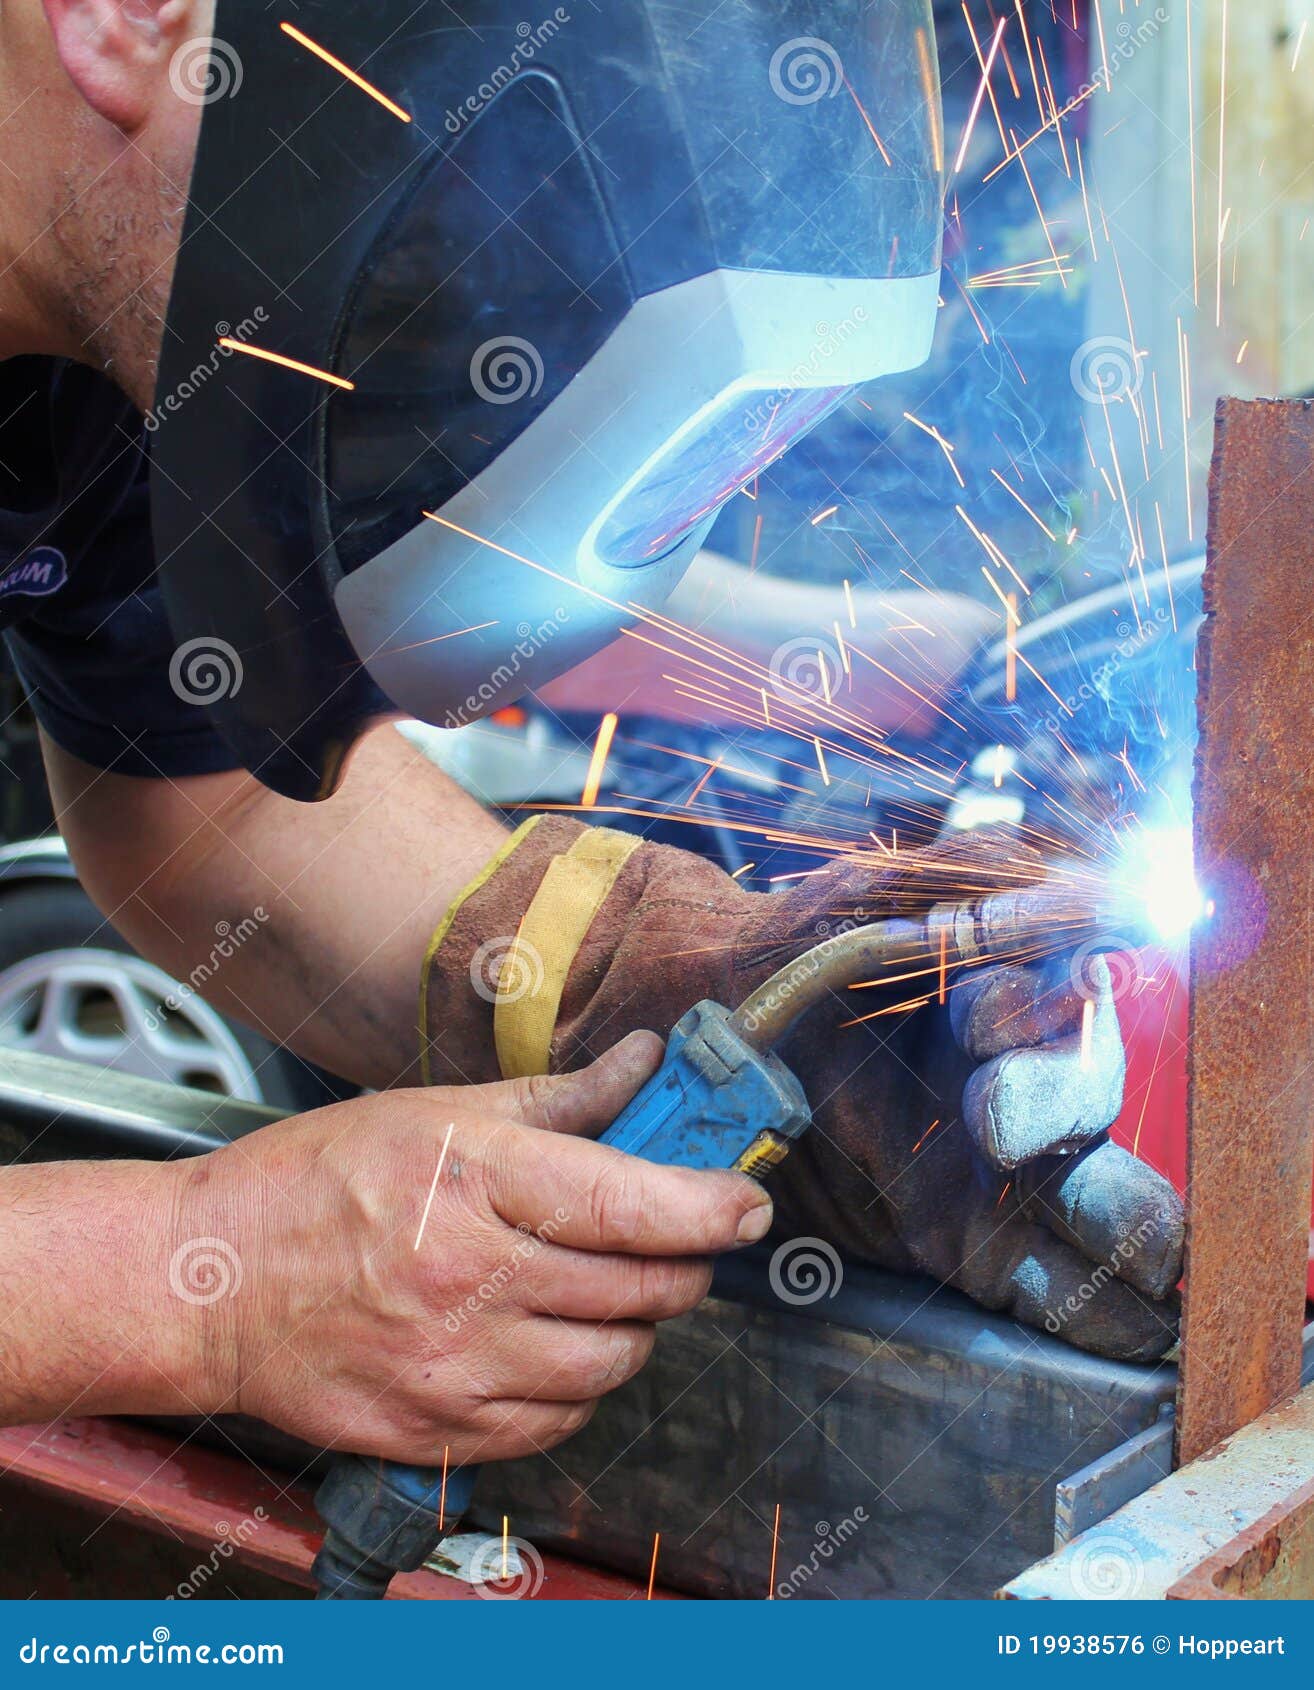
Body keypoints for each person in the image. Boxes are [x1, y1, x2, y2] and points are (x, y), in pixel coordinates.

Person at [0, 0, 1179, 1473]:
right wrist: (200, 1275)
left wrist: (671, 980)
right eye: (488, 203)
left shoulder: (144, 316)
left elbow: (206, 815)